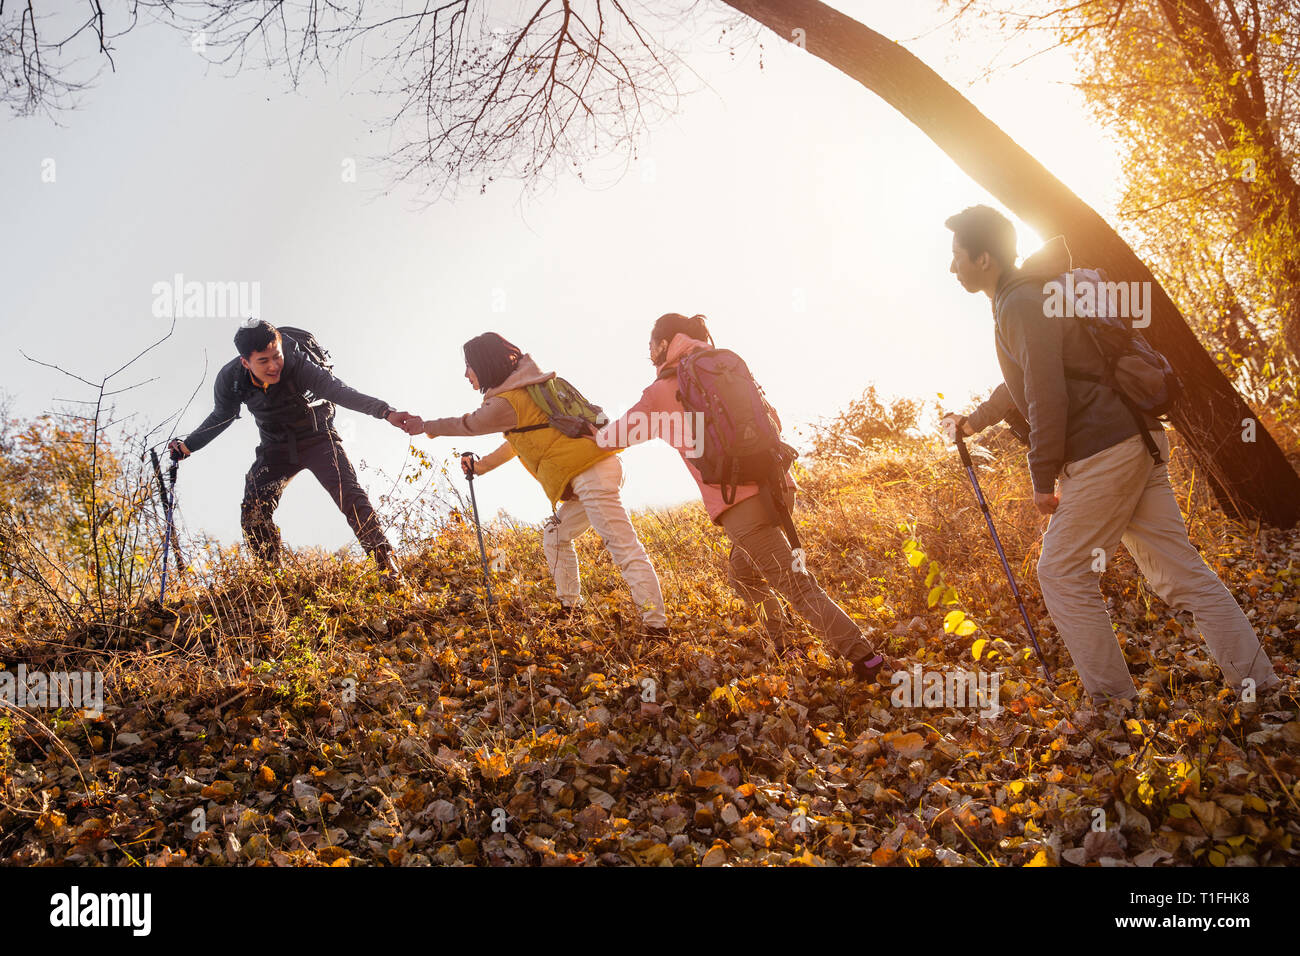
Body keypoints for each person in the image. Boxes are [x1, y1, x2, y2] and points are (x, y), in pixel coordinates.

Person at [940, 204, 1279, 704]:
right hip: (1138, 439)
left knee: (1060, 572)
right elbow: (1030, 379)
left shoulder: (1020, 302)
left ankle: (1113, 706)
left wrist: (1041, 476)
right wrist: (974, 421)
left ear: (983, 258)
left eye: (957, 256)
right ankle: (1262, 689)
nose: (952, 267)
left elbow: (1047, 394)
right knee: (1184, 573)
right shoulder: (1033, 295)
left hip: (1105, 451)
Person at [593, 312, 884, 682]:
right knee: (742, 575)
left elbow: (612, 438)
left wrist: (583, 429)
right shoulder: (724, 366)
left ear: (665, 343)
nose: (648, 350)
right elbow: (772, 422)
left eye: (651, 343)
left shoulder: (660, 392)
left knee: (796, 585)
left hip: (737, 503)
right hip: (778, 486)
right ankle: (785, 646)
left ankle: (867, 659)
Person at [403, 332, 668, 636]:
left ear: (484, 364)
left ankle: (656, 627)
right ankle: (571, 609)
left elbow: (469, 425)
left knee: (623, 546)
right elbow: (516, 446)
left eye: (469, 366)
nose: (466, 374)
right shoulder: (528, 388)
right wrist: (480, 467)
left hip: (589, 472)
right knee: (555, 535)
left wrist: (425, 426)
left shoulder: (507, 401)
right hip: (594, 469)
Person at [169, 319, 416, 581]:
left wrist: (385, 411)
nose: (274, 366)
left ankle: (386, 564)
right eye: (263, 361)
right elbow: (222, 415)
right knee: (253, 509)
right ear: (246, 362)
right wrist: (188, 446)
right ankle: (271, 578)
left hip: (318, 437)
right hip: (275, 448)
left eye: (277, 356)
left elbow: (338, 391)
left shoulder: (298, 363)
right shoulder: (231, 379)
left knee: (349, 494)